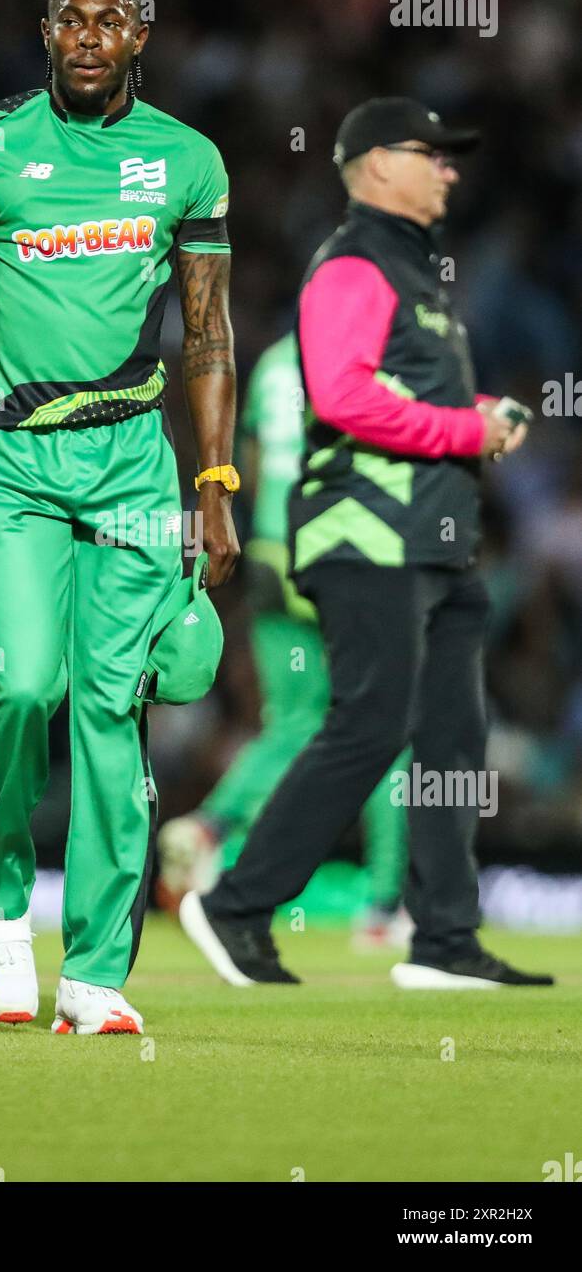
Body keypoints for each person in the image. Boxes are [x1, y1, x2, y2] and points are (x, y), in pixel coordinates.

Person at [0, 0, 239, 1035]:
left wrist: (214, 480)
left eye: (108, 20)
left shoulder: (185, 161)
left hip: (132, 465)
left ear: (141, 34)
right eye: (69, 20)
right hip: (16, 469)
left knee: (111, 709)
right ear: (43, 32)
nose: (87, 36)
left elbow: (207, 329)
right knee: (25, 686)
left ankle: (94, 969)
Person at [180, 97, 554, 990]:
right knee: (369, 723)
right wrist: (469, 427)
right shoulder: (354, 263)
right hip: (365, 533)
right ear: (379, 163)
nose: (451, 170)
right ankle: (234, 904)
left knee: (453, 736)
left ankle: (442, 937)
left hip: (430, 542)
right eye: (434, 154)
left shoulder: (414, 272)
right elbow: (344, 398)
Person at [157, 333, 410, 947]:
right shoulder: (362, 356)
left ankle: (212, 825)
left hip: (269, 550)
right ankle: (385, 905)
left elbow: (250, 448)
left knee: (295, 724)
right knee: (385, 725)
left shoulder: (273, 359)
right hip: (334, 547)